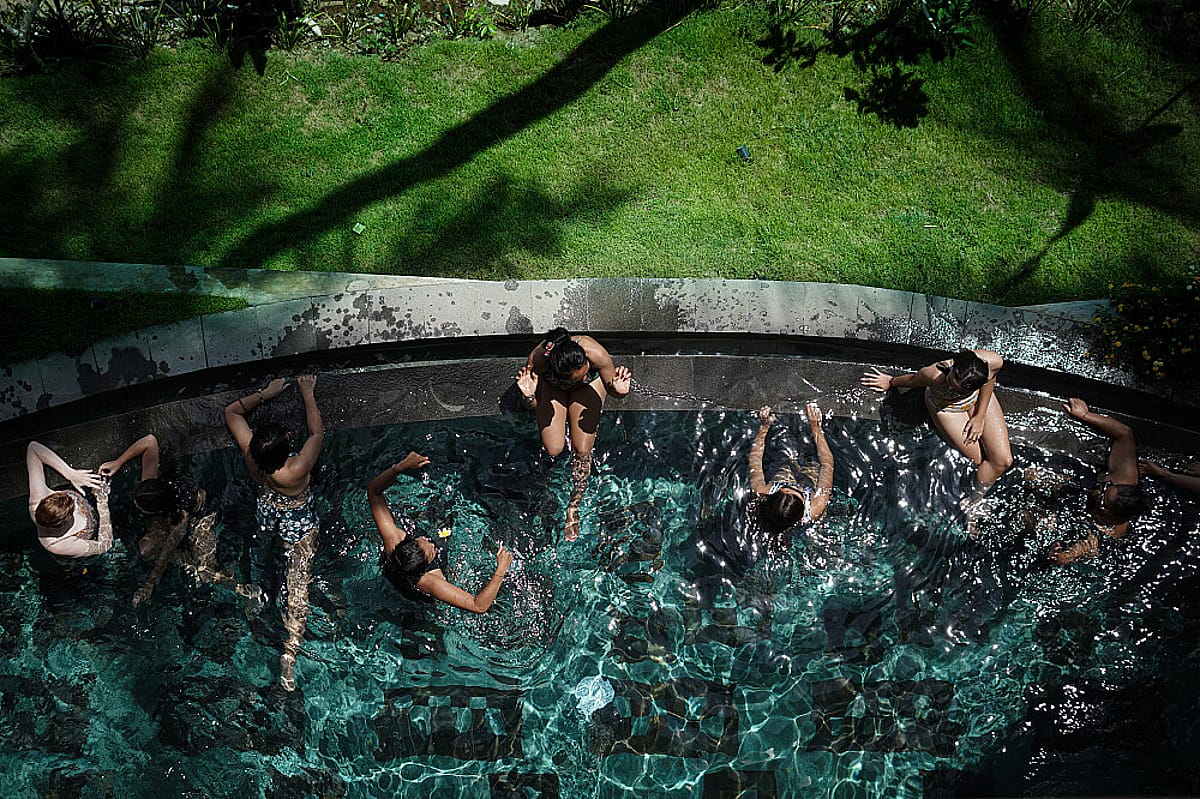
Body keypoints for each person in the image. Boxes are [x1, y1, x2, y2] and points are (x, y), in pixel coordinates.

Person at [224, 376, 324, 691]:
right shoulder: (296, 468)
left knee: (259, 553)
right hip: (297, 519)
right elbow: (317, 432)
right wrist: (308, 393)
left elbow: (232, 413)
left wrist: (265, 395)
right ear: (285, 452)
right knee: (298, 580)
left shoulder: (251, 457)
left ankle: (254, 590)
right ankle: (290, 651)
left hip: (267, 509)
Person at [99, 433, 262, 607]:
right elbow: (149, 441)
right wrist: (118, 462)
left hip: (201, 514)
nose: (136, 506)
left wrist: (150, 584)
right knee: (145, 550)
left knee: (205, 573)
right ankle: (188, 562)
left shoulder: (180, 517)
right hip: (171, 506)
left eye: (140, 507)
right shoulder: (151, 484)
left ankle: (240, 588)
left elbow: (166, 551)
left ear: (157, 511)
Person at [514, 328, 632, 540]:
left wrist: (619, 392)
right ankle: (546, 492)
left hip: (587, 388)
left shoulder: (596, 354)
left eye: (585, 370)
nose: (584, 374)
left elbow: (611, 387)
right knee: (554, 448)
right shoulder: (540, 359)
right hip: (553, 386)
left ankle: (573, 506)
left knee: (583, 450)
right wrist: (529, 397)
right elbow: (531, 405)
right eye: (578, 376)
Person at [368, 452, 514, 612]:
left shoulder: (394, 540)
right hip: (415, 589)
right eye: (431, 550)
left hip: (403, 566)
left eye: (420, 540)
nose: (428, 540)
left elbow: (373, 491)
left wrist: (400, 467)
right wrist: (501, 569)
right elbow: (478, 605)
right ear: (426, 566)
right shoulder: (432, 581)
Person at [861, 349, 1013, 486]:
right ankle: (975, 499)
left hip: (976, 400)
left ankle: (977, 496)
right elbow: (913, 380)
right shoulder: (935, 375)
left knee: (1003, 461)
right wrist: (891, 381)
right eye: (950, 382)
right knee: (981, 461)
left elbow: (990, 378)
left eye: (958, 390)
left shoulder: (993, 361)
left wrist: (980, 416)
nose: (951, 389)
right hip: (946, 408)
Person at [1048, 398, 1150, 565]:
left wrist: (1058, 555)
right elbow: (1125, 434)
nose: (1100, 491)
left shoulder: (1104, 534)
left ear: (1108, 515)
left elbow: (1067, 557)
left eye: (1103, 497)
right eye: (1107, 488)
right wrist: (1086, 415)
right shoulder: (1122, 479)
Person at [749, 403, 835, 537]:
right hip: (810, 482)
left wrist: (764, 427)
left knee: (785, 458)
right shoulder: (815, 507)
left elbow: (755, 461)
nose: (795, 487)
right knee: (813, 461)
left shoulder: (761, 492)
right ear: (803, 510)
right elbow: (827, 464)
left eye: (786, 487)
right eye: (798, 492)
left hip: (785, 471)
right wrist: (816, 428)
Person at [27, 440, 112, 559]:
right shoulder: (58, 544)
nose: (77, 506)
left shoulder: (38, 497)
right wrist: (103, 503)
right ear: (64, 522)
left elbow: (33, 448)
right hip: (82, 542)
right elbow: (104, 546)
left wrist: (71, 474)